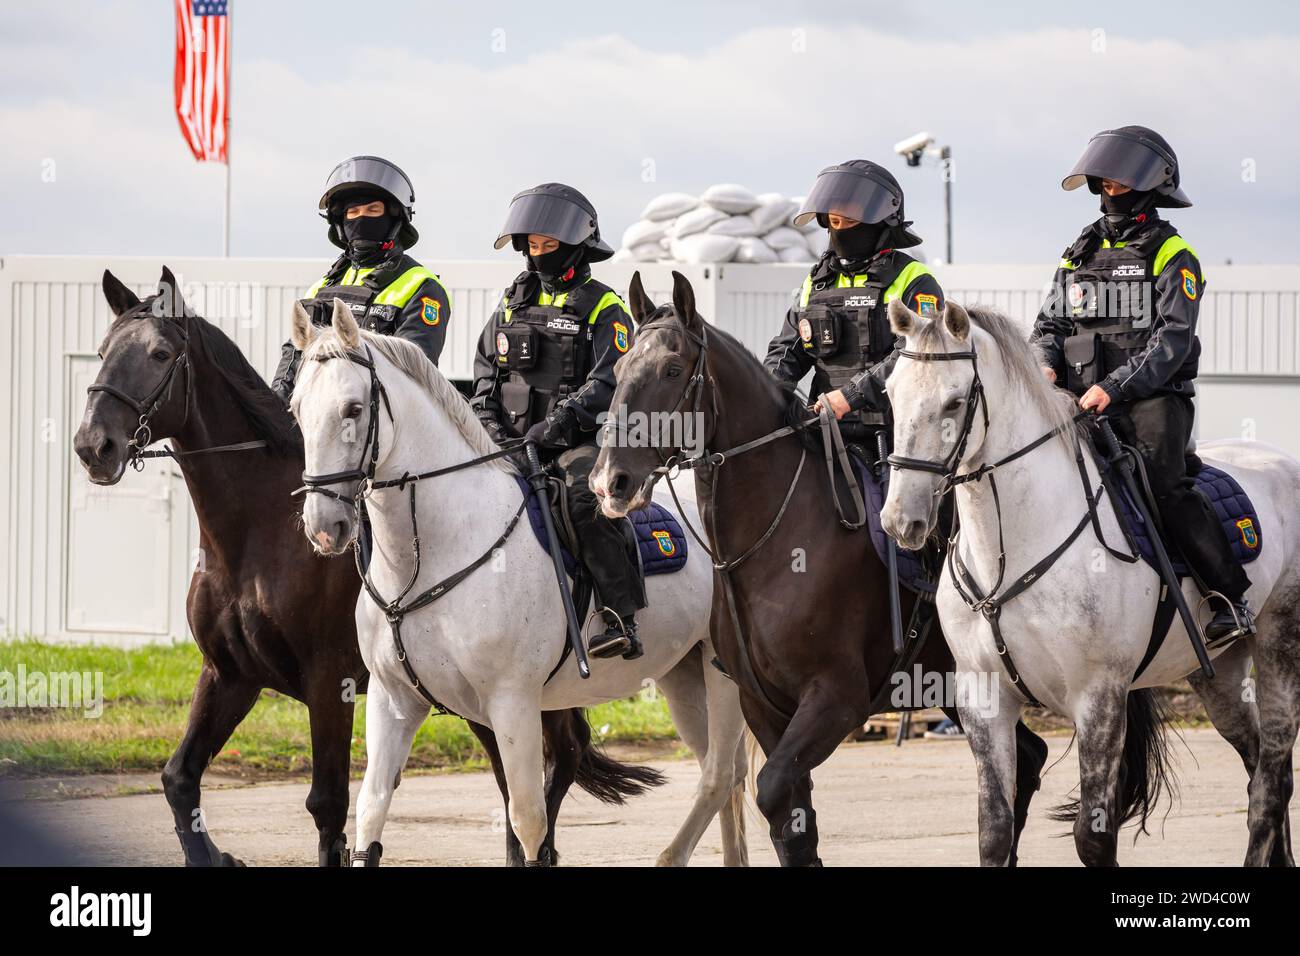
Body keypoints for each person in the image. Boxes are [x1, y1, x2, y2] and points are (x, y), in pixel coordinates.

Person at [1030, 126, 1253, 644]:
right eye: (1103, 179)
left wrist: (1114, 386)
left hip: (1153, 399)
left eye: (1118, 180)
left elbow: (1172, 339)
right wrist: (1043, 364)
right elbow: (1050, 325)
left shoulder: (1174, 253)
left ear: (1150, 184)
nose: (1109, 187)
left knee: (1164, 487)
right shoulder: (1079, 251)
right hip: (1077, 398)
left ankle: (1229, 596)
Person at [470, 184, 647, 660]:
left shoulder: (606, 309)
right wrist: (491, 428)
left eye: (550, 245)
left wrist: (556, 426)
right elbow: (486, 375)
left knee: (586, 502)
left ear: (576, 246)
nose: (539, 254)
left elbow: (611, 380)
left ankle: (619, 617)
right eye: (533, 245)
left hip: (577, 444)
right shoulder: (511, 304)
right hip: (507, 442)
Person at [763, 160, 945, 457]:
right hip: (824, 430)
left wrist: (851, 396)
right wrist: (769, 390)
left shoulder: (914, 279)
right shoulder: (817, 280)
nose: (840, 225)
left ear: (882, 220)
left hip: (896, 438)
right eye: (834, 219)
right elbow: (788, 347)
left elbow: (917, 354)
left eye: (850, 218)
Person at [271, 155, 451, 402]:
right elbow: (295, 354)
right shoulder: (320, 289)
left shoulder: (421, 286)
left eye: (373, 210)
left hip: (382, 426)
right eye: (352, 212)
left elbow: (414, 372)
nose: (361, 218)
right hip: (318, 417)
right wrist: (275, 404)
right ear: (341, 223)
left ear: (395, 217)